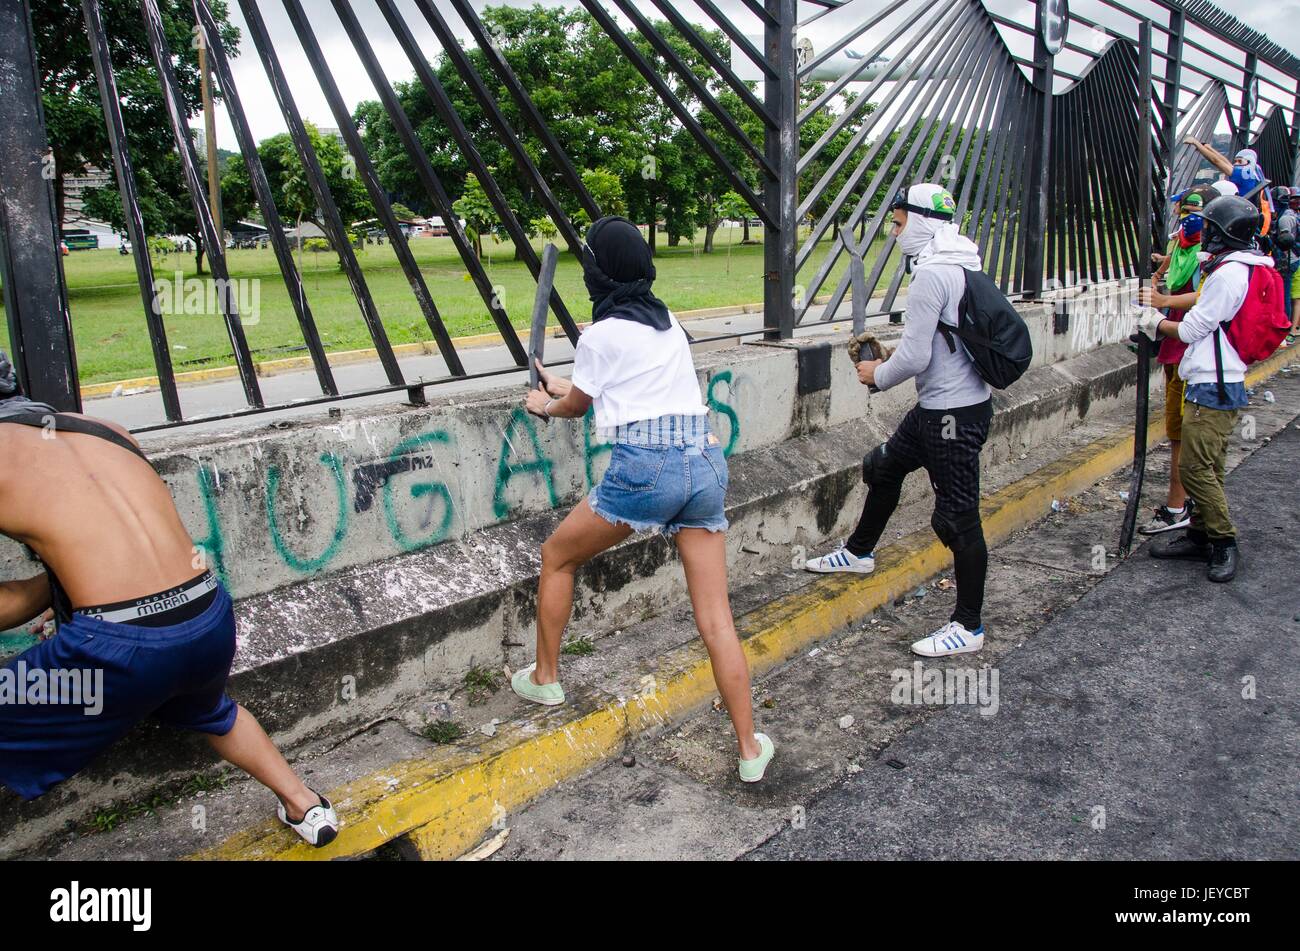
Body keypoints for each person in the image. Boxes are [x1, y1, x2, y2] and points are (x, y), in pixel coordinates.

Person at [0, 352, 338, 846]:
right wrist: (66, 590)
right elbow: (115, 544)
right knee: (213, 710)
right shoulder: (99, 428)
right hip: (206, 615)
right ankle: (306, 806)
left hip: (119, 648)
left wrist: (64, 599)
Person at [515, 216, 774, 783]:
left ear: (598, 273)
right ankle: (750, 748)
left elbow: (578, 407)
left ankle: (544, 678)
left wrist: (543, 404)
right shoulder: (669, 322)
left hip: (648, 472)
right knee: (716, 618)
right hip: (704, 464)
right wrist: (561, 386)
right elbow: (603, 388)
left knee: (557, 556)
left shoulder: (599, 335)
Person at [804, 183, 993, 658]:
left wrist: (876, 374)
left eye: (899, 222)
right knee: (883, 467)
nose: (895, 231)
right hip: (939, 410)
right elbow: (941, 345)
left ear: (923, 221)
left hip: (952, 416)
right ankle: (859, 553)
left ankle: (968, 626)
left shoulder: (933, 272)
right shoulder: (964, 262)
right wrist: (895, 359)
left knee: (957, 518)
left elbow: (914, 357)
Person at [1136, 196, 1275, 582]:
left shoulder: (1230, 275)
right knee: (1208, 464)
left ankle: (1223, 541)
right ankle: (1199, 534)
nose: (1205, 234)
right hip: (1214, 378)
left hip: (1214, 383)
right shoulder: (1235, 267)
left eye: (1211, 227)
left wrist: (1153, 320)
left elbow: (1191, 329)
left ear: (1224, 231)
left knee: (1195, 469)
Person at [1137, 186, 1213, 534]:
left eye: (1194, 216)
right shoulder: (1189, 250)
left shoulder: (1210, 259)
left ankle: (1179, 508)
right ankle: (1184, 506)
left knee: (1183, 433)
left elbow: (1206, 296)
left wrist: (1160, 312)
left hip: (1190, 352)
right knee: (1179, 432)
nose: (1187, 225)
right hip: (1178, 349)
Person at [1183, 138, 1272, 241]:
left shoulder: (1242, 174)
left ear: (1248, 162)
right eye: (1236, 161)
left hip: (1238, 216)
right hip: (1248, 216)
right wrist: (1209, 149)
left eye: (1239, 161)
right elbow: (1227, 163)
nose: (1235, 164)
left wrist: (1196, 143)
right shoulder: (1252, 174)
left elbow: (1216, 162)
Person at [1271, 186, 1299, 342]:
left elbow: (1286, 240)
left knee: (1284, 294)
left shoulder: (1285, 218)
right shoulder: (1289, 215)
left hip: (1287, 260)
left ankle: (1285, 327)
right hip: (1289, 259)